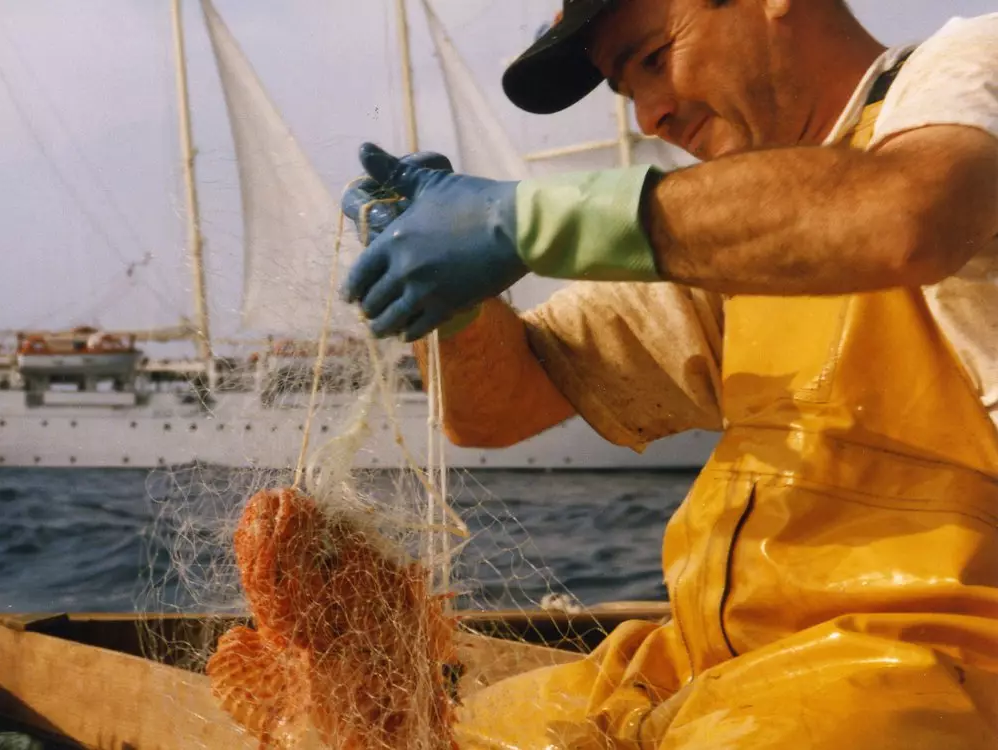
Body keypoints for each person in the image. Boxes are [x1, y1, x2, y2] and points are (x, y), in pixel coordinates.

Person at [343, 1, 998, 748]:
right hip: (712, 670)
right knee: (438, 736)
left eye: (653, 58)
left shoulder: (976, 60)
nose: (649, 116)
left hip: (940, 669)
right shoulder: (733, 238)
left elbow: (909, 214)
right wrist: (455, 305)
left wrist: (528, 221)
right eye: (626, 92)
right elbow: (497, 410)